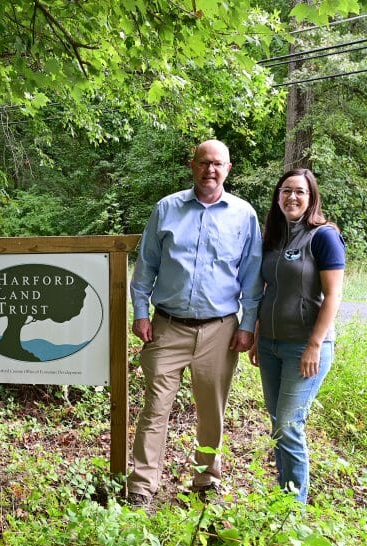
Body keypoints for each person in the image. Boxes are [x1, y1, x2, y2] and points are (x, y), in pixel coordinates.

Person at [126, 140, 264, 508]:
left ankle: (206, 480)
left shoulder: (243, 215)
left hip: (220, 330)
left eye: (218, 164)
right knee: (155, 407)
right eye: (204, 163)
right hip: (167, 327)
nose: (210, 170)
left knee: (211, 410)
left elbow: (251, 277)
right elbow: (146, 266)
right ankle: (141, 485)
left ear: (228, 169)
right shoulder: (167, 209)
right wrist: (140, 311)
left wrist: (247, 324)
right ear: (192, 165)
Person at [249, 169, 345, 504]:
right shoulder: (272, 238)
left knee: (289, 425)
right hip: (271, 345)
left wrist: (314, 345)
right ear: (277, 197)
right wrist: (260, 334)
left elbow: (333, 296)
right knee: (279, 425)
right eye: (286, 190)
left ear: (311, 197)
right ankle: (283, 499)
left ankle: (293, 511)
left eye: (300, 192)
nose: (292, 197)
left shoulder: (323, 237)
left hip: (304, 347)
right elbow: (267, 289)